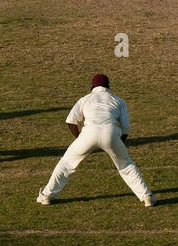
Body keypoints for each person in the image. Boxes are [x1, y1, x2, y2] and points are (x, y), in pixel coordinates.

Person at [37, 74, 156, 207]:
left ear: (92, 86)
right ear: (108, 86)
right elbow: (126, 126)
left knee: (66, 163)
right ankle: (146, 197)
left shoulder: (85, 99)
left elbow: (71, 121)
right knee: (126, 166)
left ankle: (46, 196)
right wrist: (120, 141)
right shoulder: (118, 100)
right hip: (111, 133)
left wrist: (80, 139)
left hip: (88, 133)